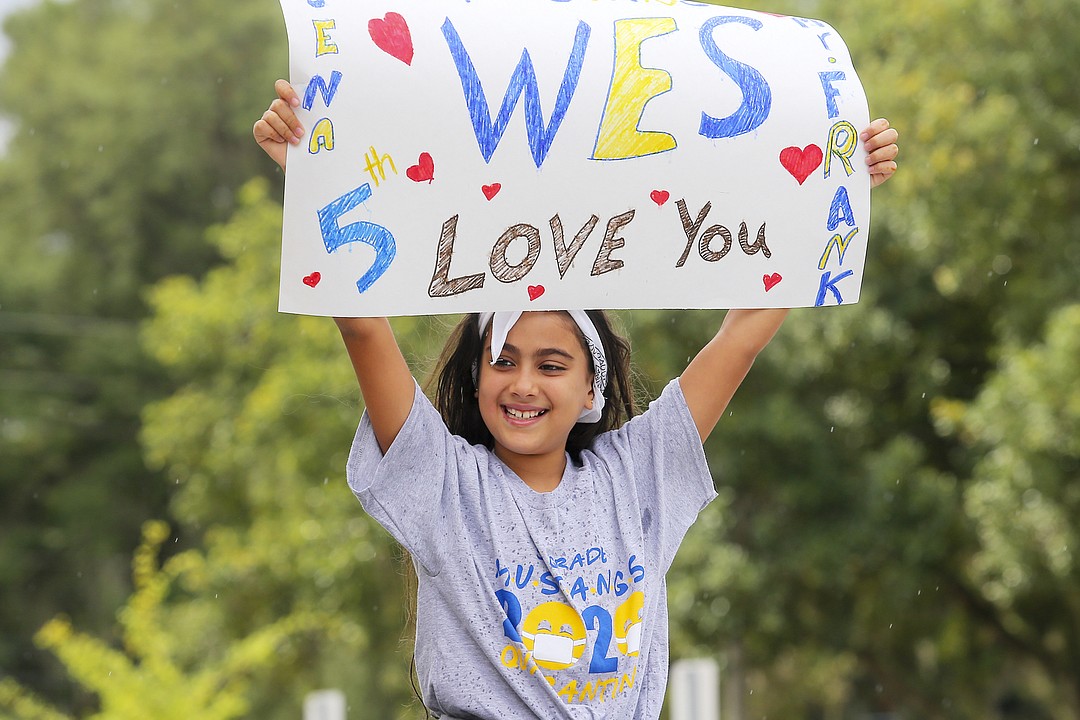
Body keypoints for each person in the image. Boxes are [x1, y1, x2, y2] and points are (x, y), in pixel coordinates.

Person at [254, 79, 899, 719]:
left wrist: (837, 193)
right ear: (476, 379)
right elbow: (363, 324)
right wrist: (312, 174)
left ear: (591, 386)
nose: (524, 384)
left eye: (551, 364)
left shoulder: (638, 473)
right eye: (503, 361)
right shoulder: (443, 483)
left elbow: (741, 337)